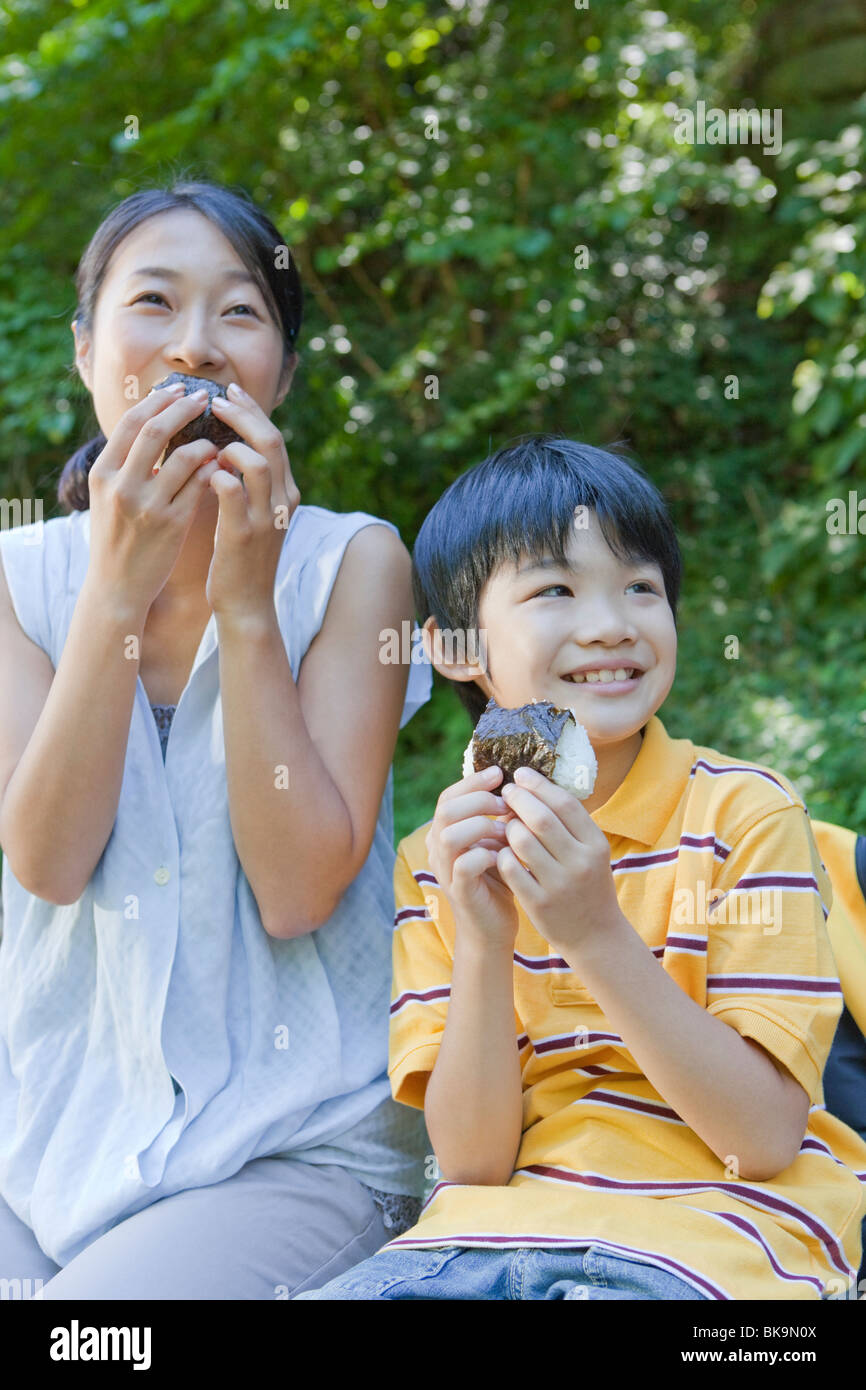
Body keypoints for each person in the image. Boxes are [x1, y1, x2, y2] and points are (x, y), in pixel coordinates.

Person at [295, 436, 866, 1300]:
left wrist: (594, 932)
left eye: (641, 587)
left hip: (712, 1240)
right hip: (482, 1242)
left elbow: (764, 1138)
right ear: (454, 647)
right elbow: (474, 1164)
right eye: (555, 590)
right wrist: (486, 940)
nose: (612, 622)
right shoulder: (438, 859)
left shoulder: (746, 813)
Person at [0, 180, 432, 1299]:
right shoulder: (13, 581)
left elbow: (297, 890)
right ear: (89, 350)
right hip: (48, 1144)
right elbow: (47, 859)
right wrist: (115, 594)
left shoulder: (355, 566)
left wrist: (246, 606)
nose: (196, 344)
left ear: (280, 373)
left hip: (298, 1146)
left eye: (240, 313)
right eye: (154, 302)